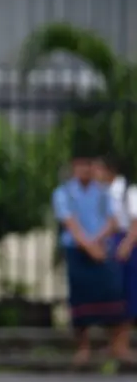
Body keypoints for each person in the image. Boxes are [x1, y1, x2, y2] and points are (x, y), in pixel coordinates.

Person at [52, 154, 129, 365]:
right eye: (80, 166)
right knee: (80, 299)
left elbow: (113, 221)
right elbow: (70, 223)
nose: (84, 170)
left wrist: (96, 242)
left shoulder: (103, 192)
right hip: (78, 250)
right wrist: (88, 246)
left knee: (113, 296)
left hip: (102, 248)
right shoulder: (64, 193)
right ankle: (83, 348)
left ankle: (116, 347)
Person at [99, 157, 137, 328]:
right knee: (112, 292)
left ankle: (124, 338)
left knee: (127, 290)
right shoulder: (103, 192)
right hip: (110, 241)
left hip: (125, 240)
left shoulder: (128, 191)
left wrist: (127, 243)